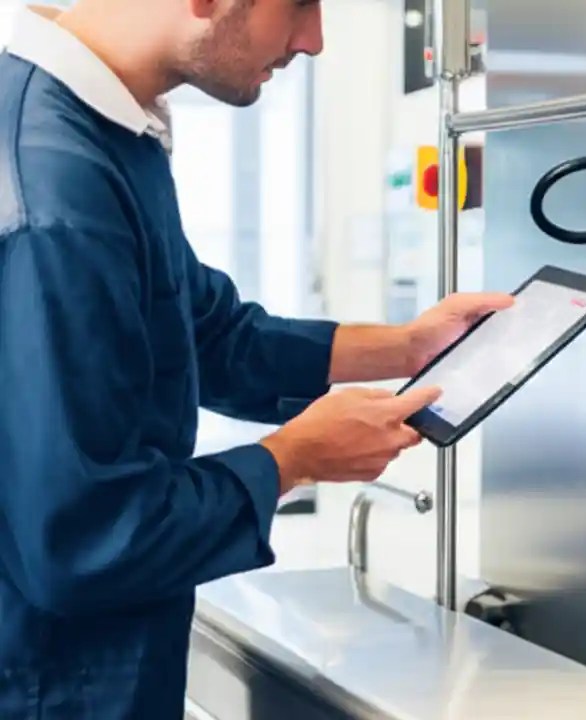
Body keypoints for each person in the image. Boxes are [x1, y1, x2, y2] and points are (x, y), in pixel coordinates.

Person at [0, 1, 513, 717]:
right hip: (55, 686)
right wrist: (291, 459)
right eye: (299, 4)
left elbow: (209, 333)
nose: (314, 40)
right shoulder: (56, 184)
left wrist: (409, 346)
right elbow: (84, 539)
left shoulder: (110, 133)